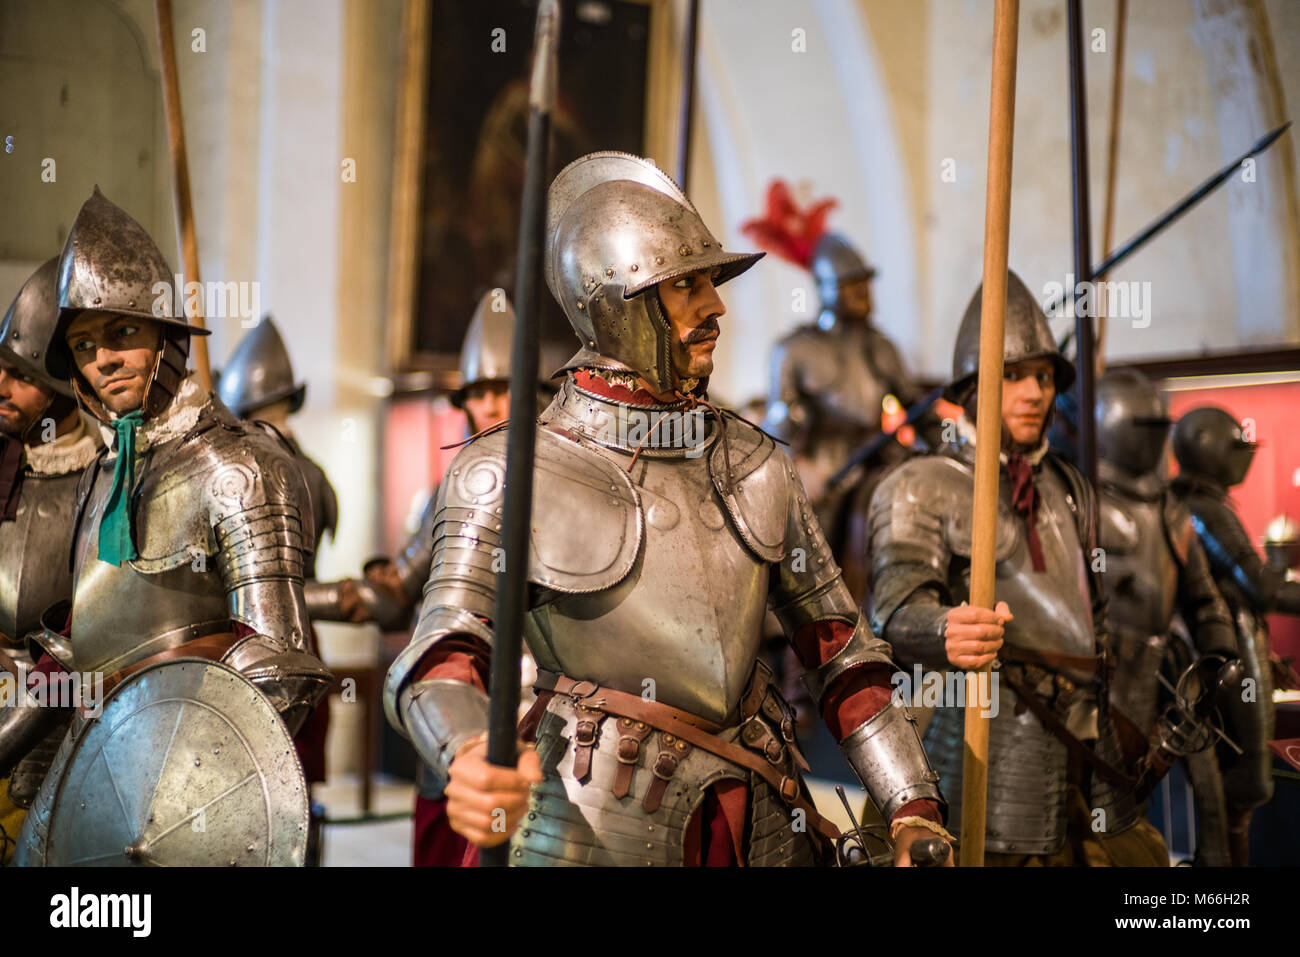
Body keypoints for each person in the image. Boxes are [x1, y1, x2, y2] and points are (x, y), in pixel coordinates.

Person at [384, 152, 949, 867]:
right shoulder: (509, 469)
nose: (714, 306)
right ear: (617, 306)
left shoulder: (758, 463)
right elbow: (444, 651)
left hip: (759, 823)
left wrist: (911, 805)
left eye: (710, 282)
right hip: (588, 821)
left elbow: (841, 654)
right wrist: (466, 751)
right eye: (686, 286)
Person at [12, 187, 331, 865]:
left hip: (191, 792)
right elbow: (86, 644)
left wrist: (178, 767)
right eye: (85, 344)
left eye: (123, 332)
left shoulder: (240, 470)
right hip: (93, 767)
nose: (103, 358)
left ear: (167, 336)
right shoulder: (105, 473)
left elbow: (281, 663)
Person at [868, 270, 1168, 865]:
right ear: (973, 387)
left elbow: (1094, 612)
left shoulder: (1069, 485)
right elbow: (896, 608)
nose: (1034, 392)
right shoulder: (920, 485)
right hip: (989, 728)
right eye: (1011, 376)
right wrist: (945, 627)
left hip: (1085, 737)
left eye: (1043, 376)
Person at [1094, 368, 1238, 865]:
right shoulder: (1081, 504)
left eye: (1159, 429)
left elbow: (1201, 596)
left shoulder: (1172, 512)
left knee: (1208, 811)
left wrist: (1219, 648)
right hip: (1095, 677)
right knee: (1099, 809)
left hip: (1168, 677)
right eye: (1144, 427)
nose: (1152, 440)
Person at [0, 258, 101, 862]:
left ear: (63, 386)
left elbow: (92, 639)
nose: (0, 386)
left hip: (58, 744)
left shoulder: (101, 482)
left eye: (20, 374)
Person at [1170, 405, 1300, 865]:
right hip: (1225, 658)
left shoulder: (1197, 504)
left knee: (1238, 791)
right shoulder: (1204, 508)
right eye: (1235, 448)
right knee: (1244, 782)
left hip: (1219, 658)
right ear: (1207, 448)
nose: (1244, 457)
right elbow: (1260, 588)